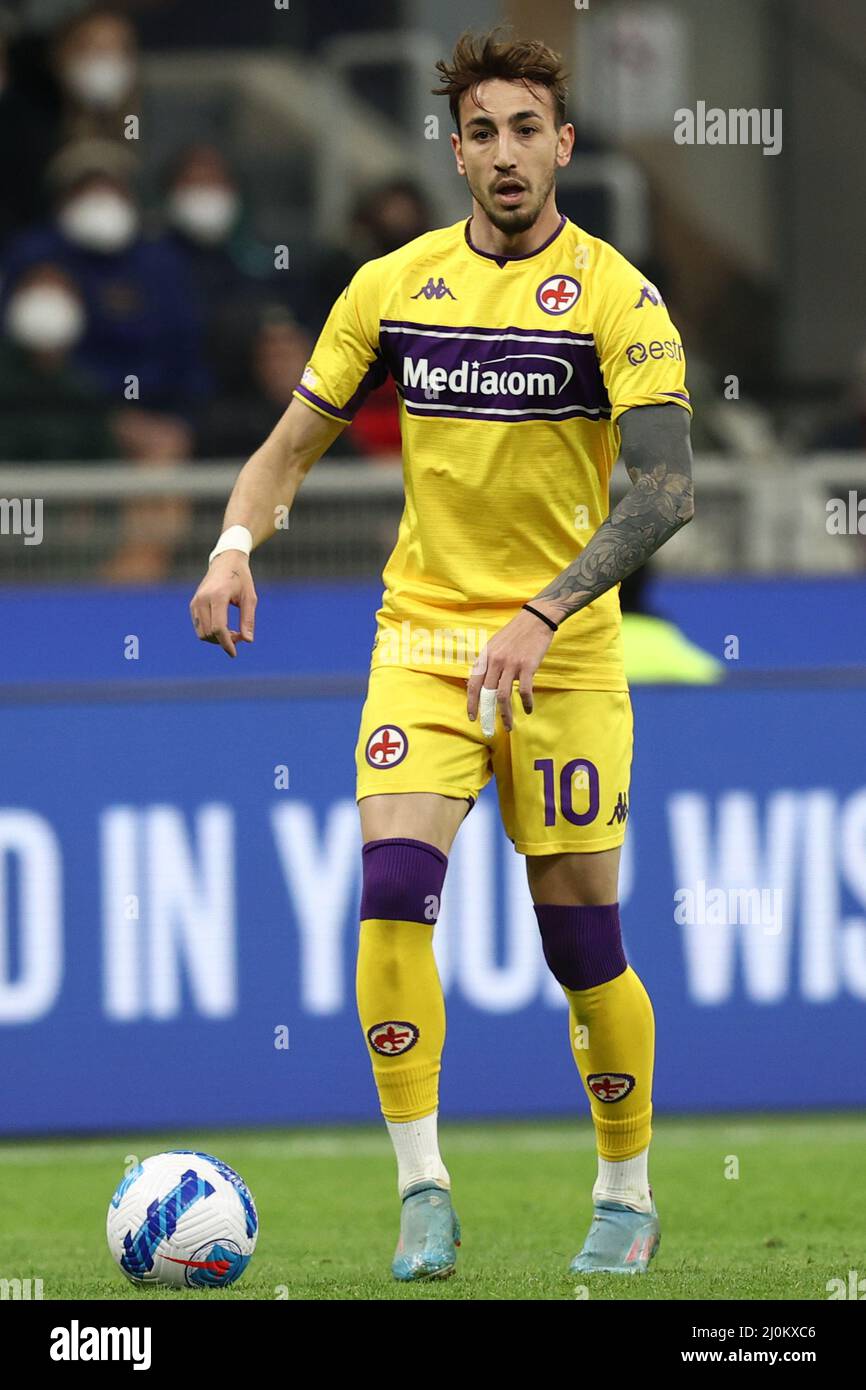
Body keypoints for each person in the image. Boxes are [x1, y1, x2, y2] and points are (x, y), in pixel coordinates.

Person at [189, 26, 694, 1282]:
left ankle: (623, 1190)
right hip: (420, 635)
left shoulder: (620, 298)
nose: (507, 153)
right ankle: (422, 1189)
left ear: (563, 145)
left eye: (529, 129)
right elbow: (287, 447)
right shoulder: (390, 287)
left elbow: (664, 491)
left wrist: (544, 610)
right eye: (483, 132)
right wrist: (233, 543)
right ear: (455, 150)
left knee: (579, 940)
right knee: (391, 877)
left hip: (564, 651)